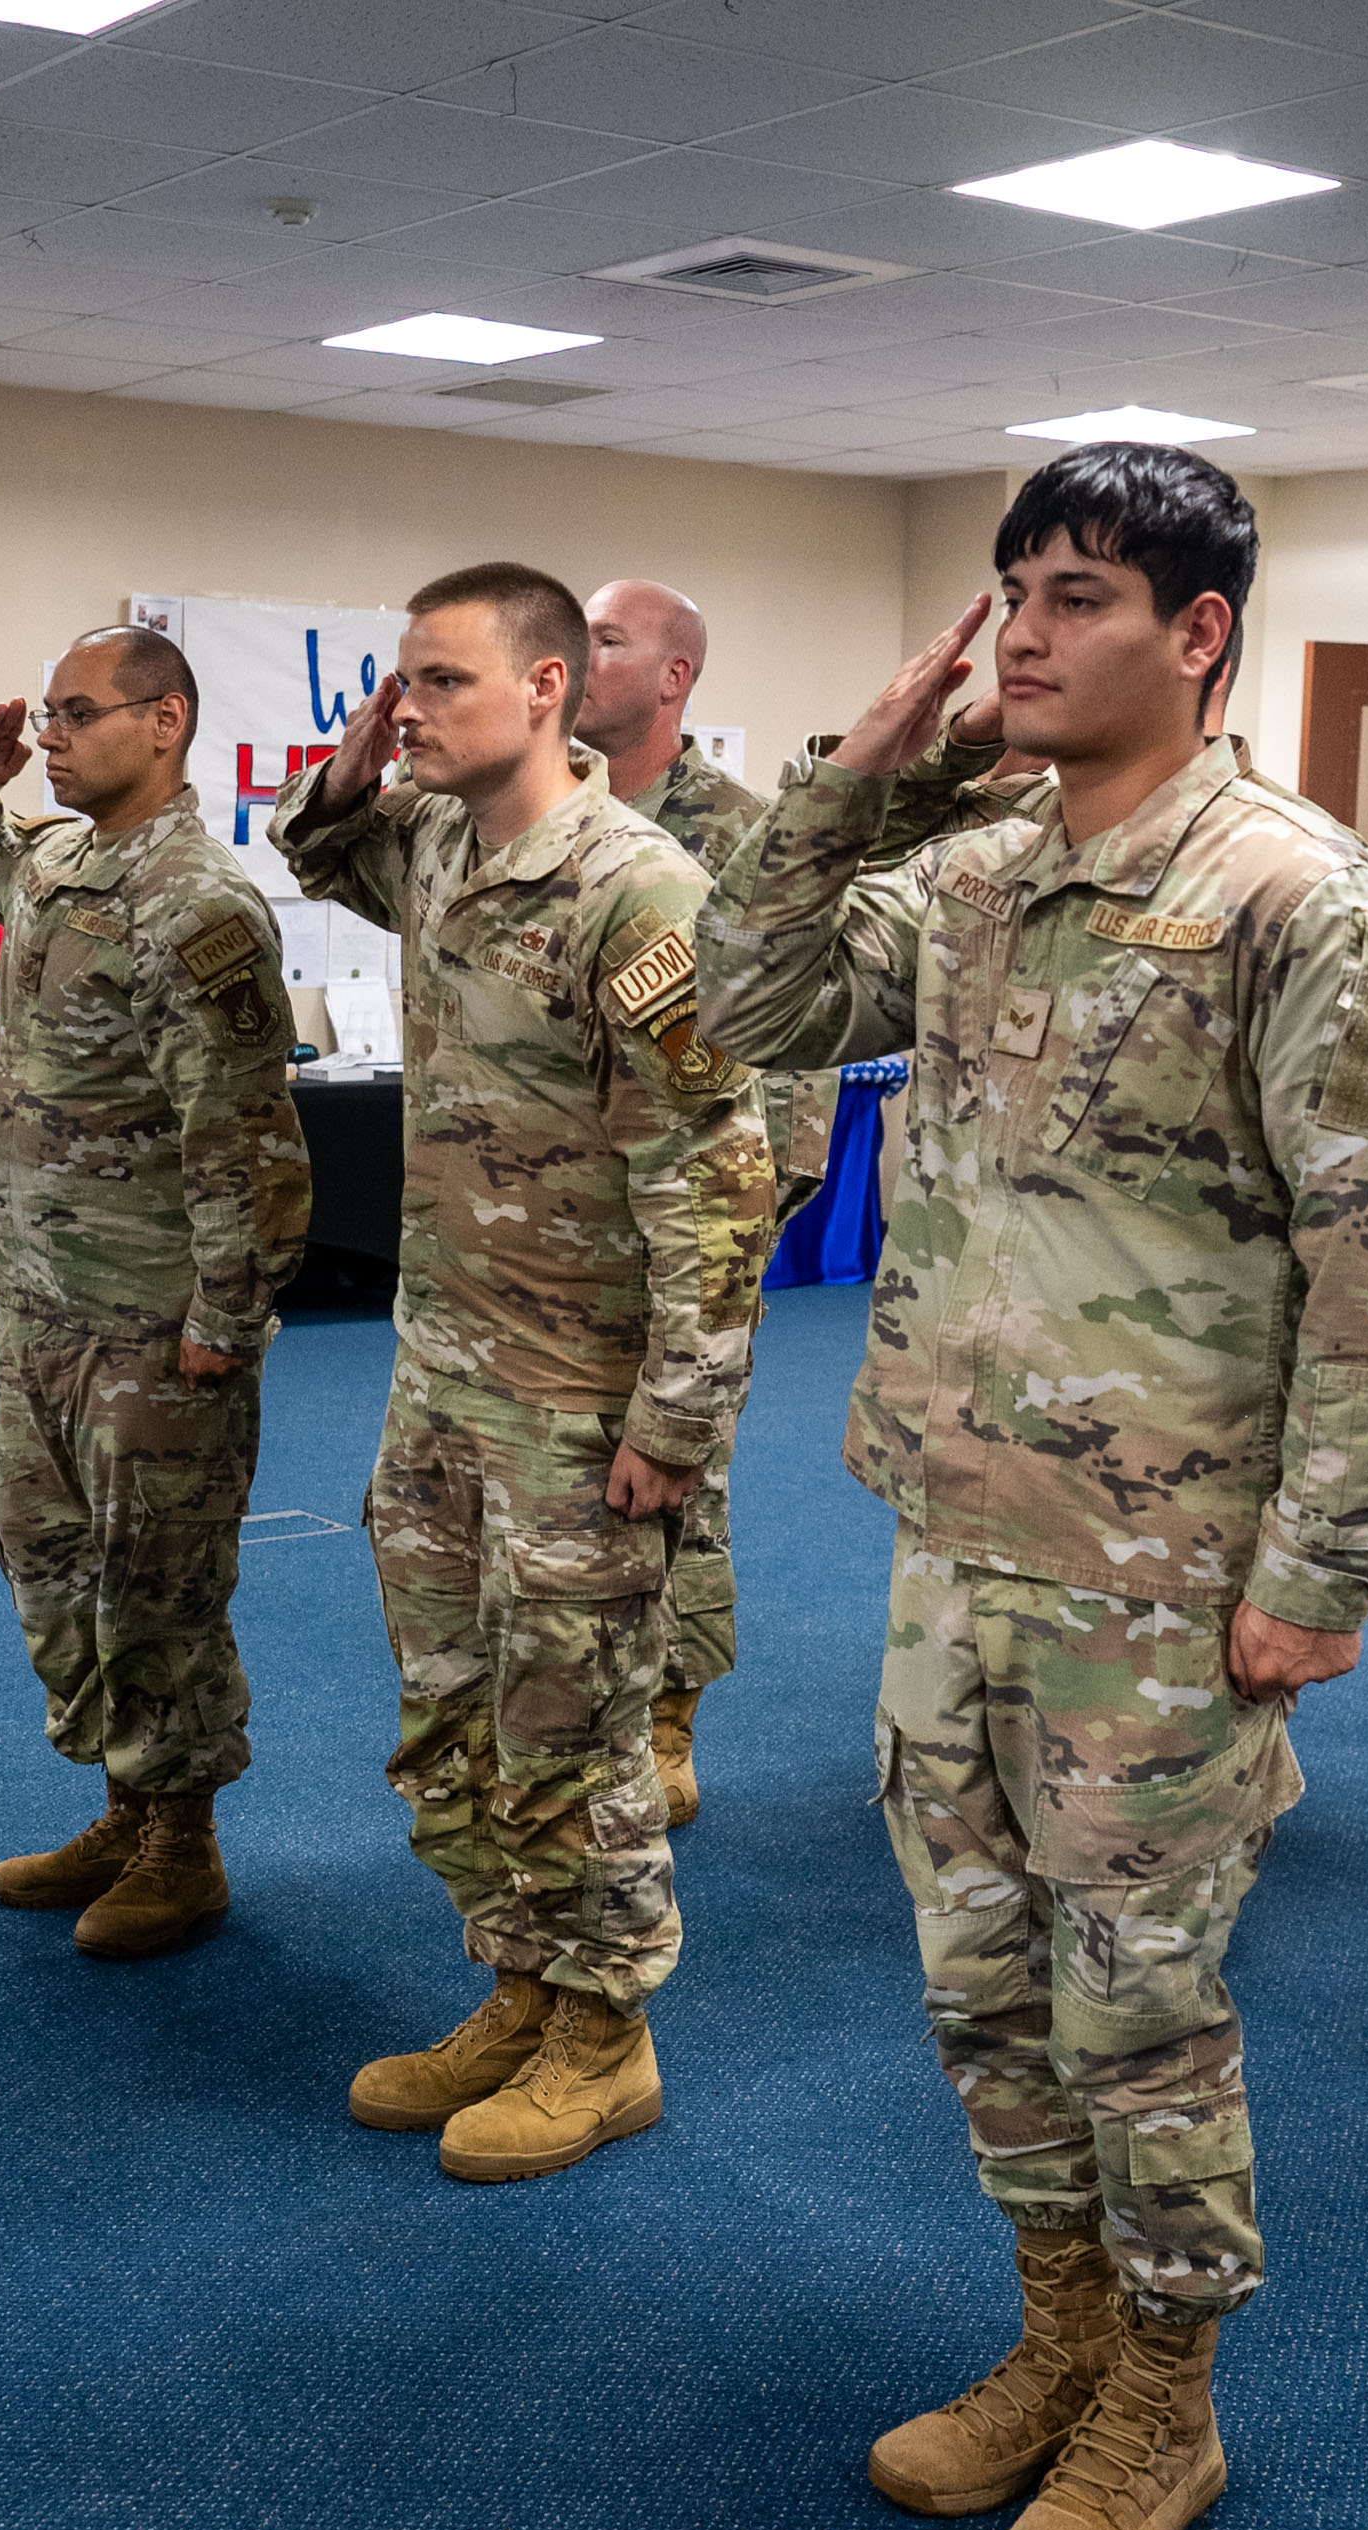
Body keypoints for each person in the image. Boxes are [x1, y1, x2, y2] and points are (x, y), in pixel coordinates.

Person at [698, 445, 1368, 2530]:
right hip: (957, 1534)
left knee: (1137, 1999)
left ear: (1199, 634)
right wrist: (855, 779)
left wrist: (1320, 1585)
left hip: (1169, 1573)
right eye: (1013, 588)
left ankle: (1169, 2392)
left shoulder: (1303, 900)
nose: (1023, 630)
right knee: (981, 1987)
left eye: (1080, 595)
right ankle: (1055, 2334)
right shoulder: (969, 871)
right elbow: (746, 1006)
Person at [272, 564, 776, 2185]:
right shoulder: (428, 838)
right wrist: (362, 753)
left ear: (547, 687)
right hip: (439, 1371)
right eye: (396, 676)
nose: (406, 702)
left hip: (576, 1394)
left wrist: (674, 1419)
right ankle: (516, 1980)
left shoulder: (637, 890)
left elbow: (717, 1172)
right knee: (451, 1718)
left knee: (571, 1726)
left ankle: (602, 2035)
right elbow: (313, 847)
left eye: (440, 677)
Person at [0, 626, 311, 1962]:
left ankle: (183, 1840)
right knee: (48, 1557)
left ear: (167, 721)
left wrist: (226, 1314)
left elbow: (246, 1133)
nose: (52, 733)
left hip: (154, 1316)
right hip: (37, 1293)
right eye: (47, 712)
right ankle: (127, 1801)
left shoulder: (200, 904)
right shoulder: (57, 862)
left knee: (158, 1581)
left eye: (78, 713)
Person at [579, 575, 801, 1834]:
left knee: (683, 1463)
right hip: (556, 1210)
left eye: (606, 639)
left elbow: (797, 1026)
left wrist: (770, 1201)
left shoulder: (740, 831)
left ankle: (669, 1711)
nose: (579, 654)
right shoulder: (544, 814)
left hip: (695, 1204)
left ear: (674, 678)